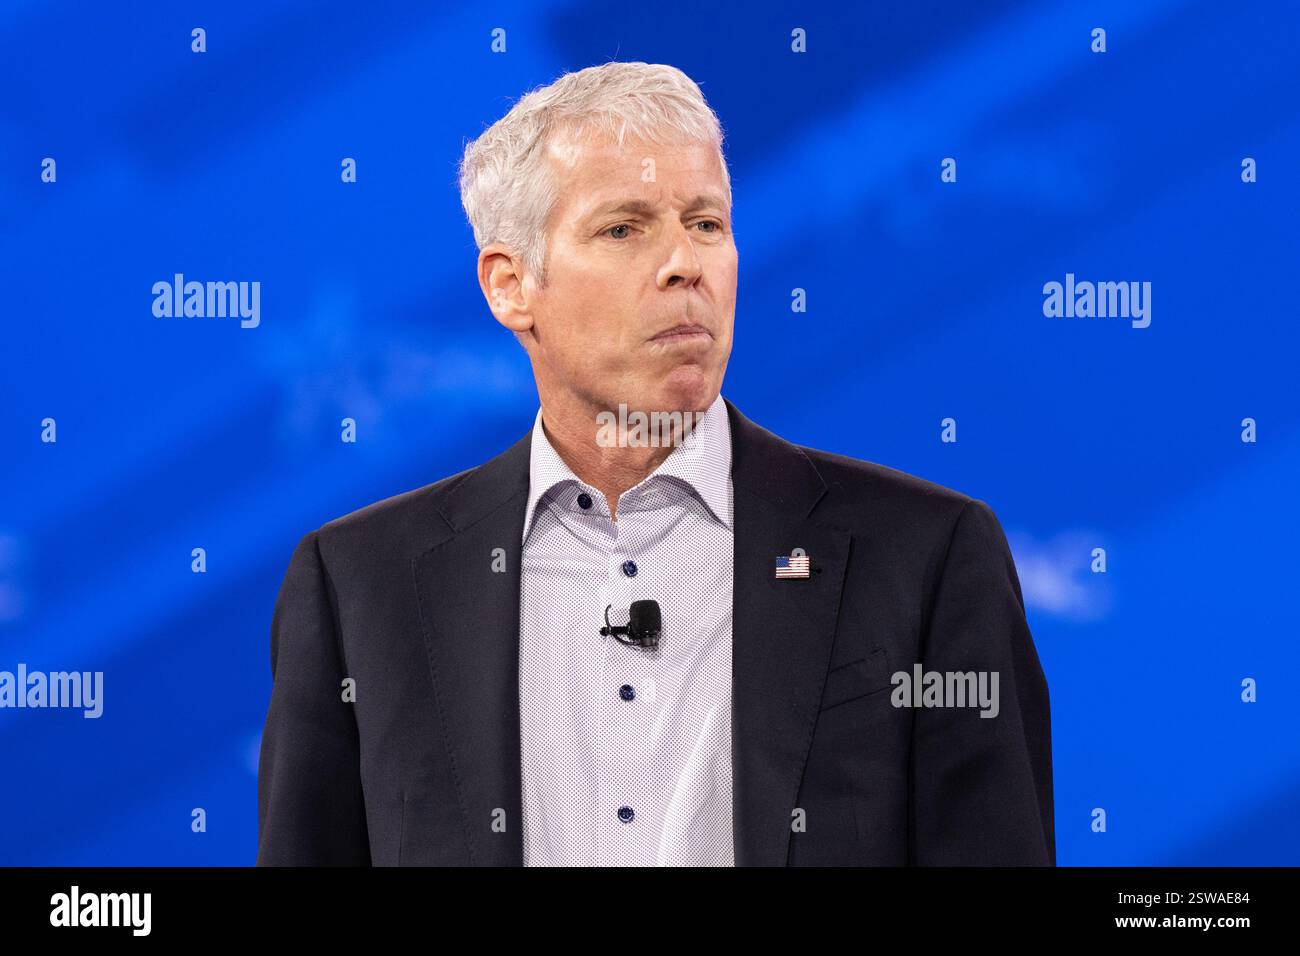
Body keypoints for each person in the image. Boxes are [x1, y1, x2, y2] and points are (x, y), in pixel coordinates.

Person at [256, 61, 1054, 867]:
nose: (686, 263)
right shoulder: (359, 586)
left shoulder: (924, 557)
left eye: (706, 223)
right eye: (624, 228)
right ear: (510, 287)